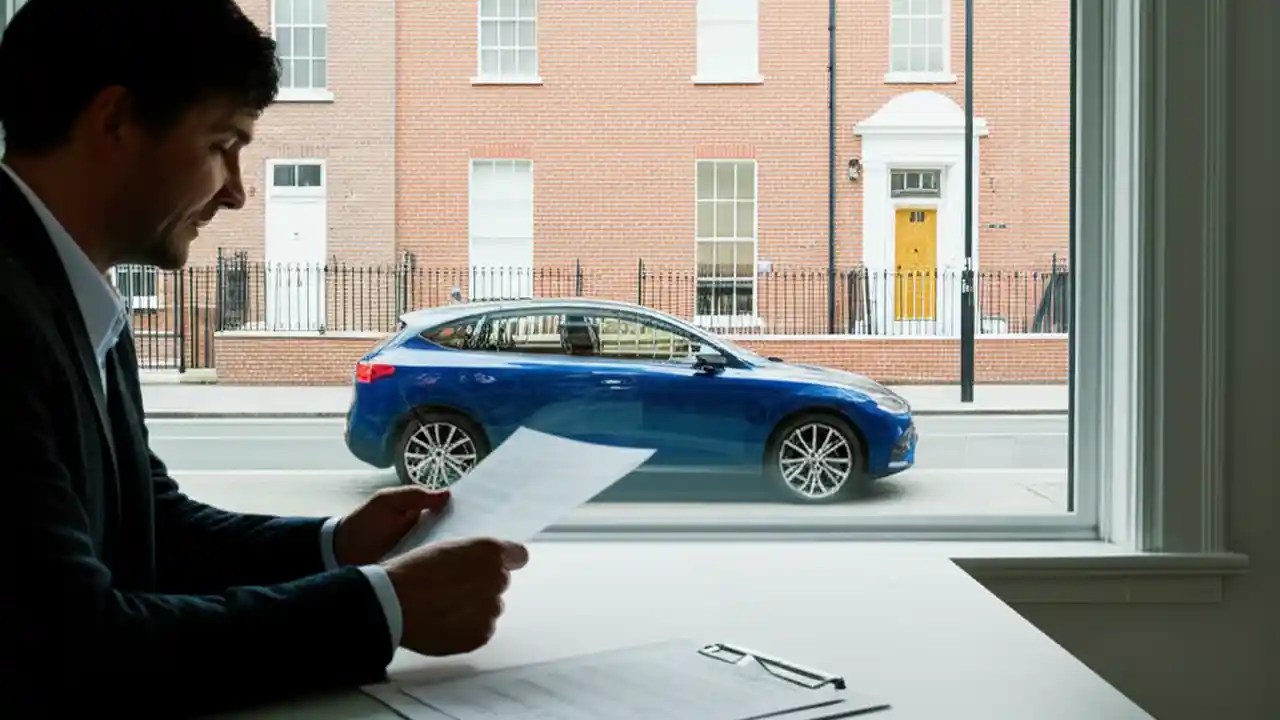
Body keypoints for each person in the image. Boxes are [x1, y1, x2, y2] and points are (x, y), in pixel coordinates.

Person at [0, 0, 528, 714]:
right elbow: (75, 648)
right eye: (223, 143)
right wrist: (385, 608)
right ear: (115, 121)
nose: (237, 191)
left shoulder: (71, 295)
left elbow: (153, 530)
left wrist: (338, 544)